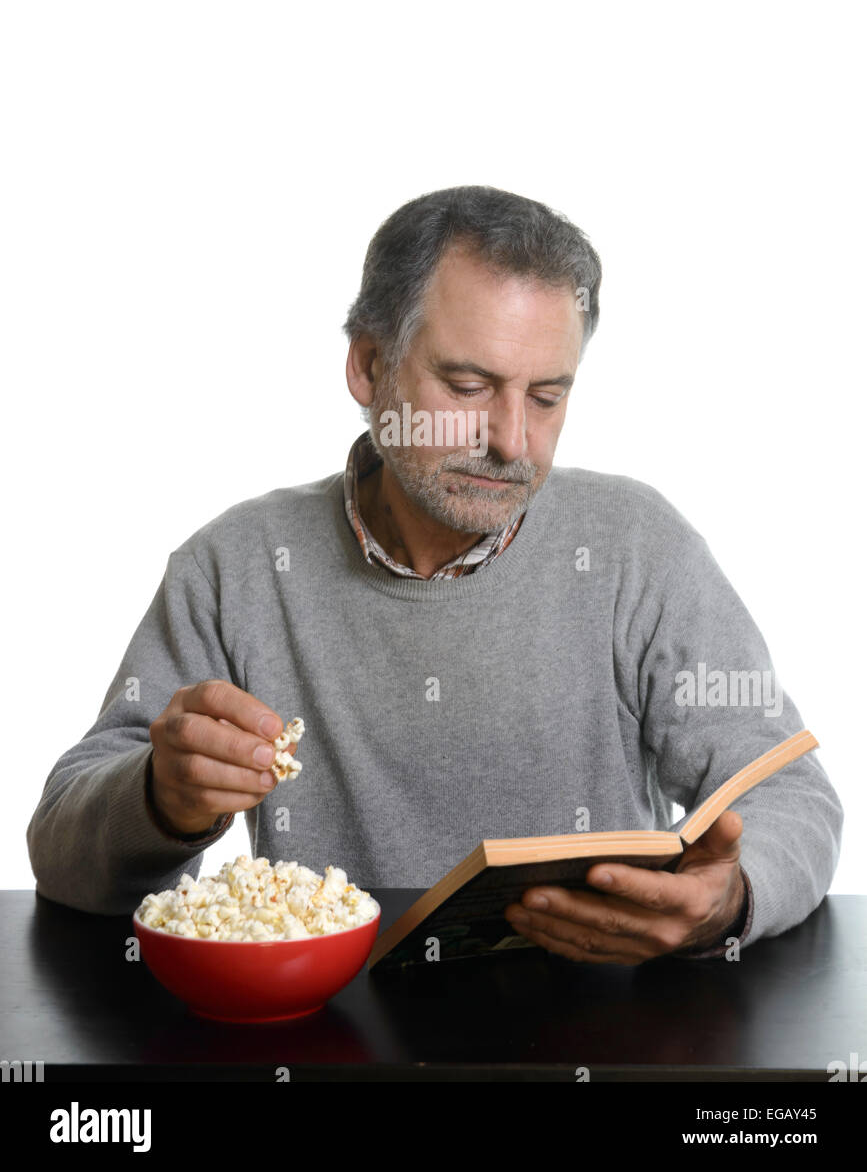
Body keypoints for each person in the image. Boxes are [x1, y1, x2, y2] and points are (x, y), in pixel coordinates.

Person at [27, 185, 843, 963]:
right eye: (467, 386)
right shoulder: (235, 566)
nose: (513, 443)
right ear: (368, 365)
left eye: (547, 397)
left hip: (603, 1023)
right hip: (331, 1038)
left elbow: (790, 796)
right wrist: (161, 801)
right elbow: (63, 846)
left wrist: (729, 900)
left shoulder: (636, 547)